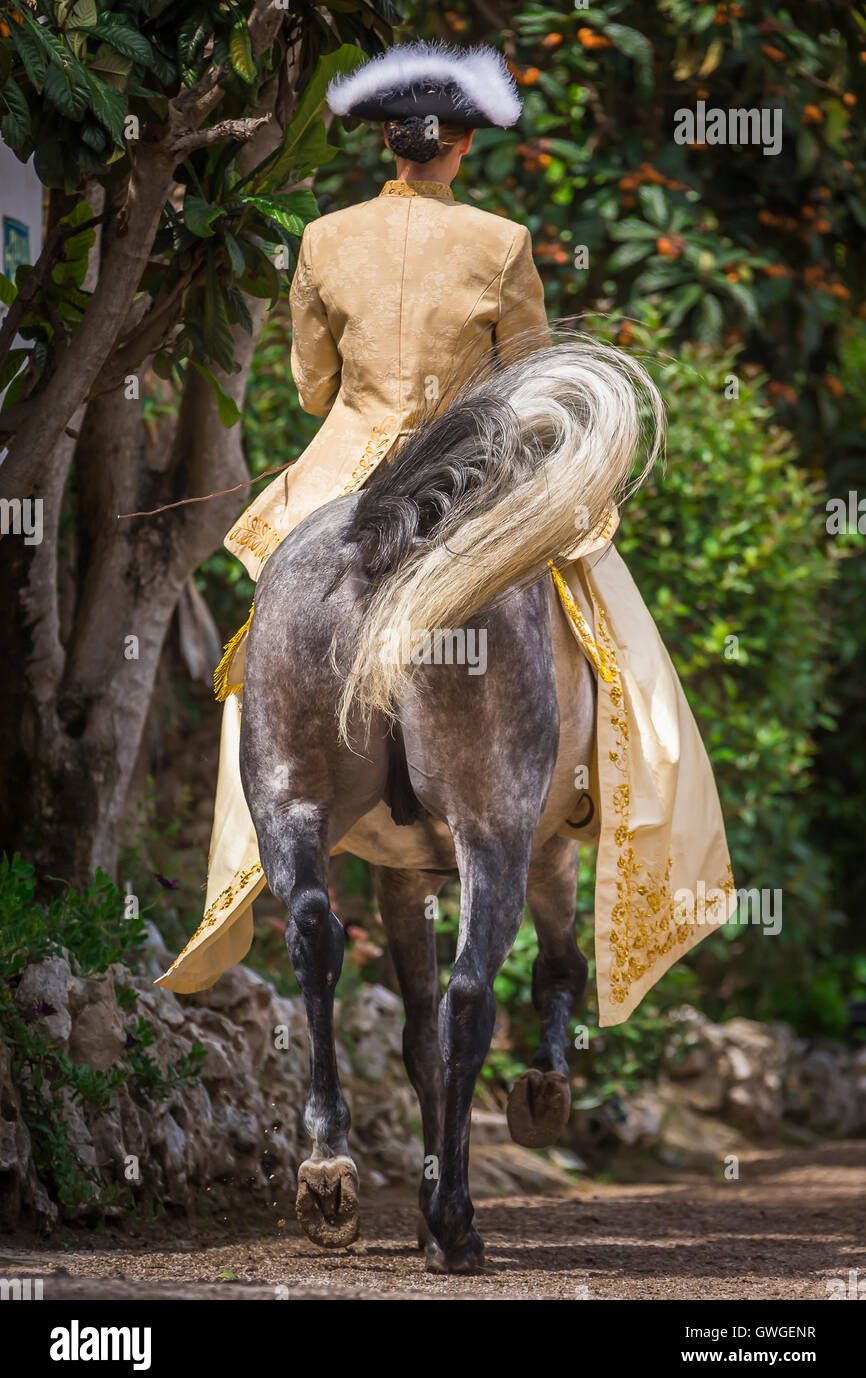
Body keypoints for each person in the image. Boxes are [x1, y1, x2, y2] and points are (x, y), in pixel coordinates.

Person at [157, 41, 734, 1029]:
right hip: (468, 477)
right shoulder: (502, 241)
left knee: (259, 660)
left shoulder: (324, 237)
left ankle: (253, 845)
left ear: (388, 140)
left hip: (340, 477)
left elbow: (307, 387)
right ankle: (602, 790)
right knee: (616, 633)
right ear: (460, 143)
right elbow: (530, 381)